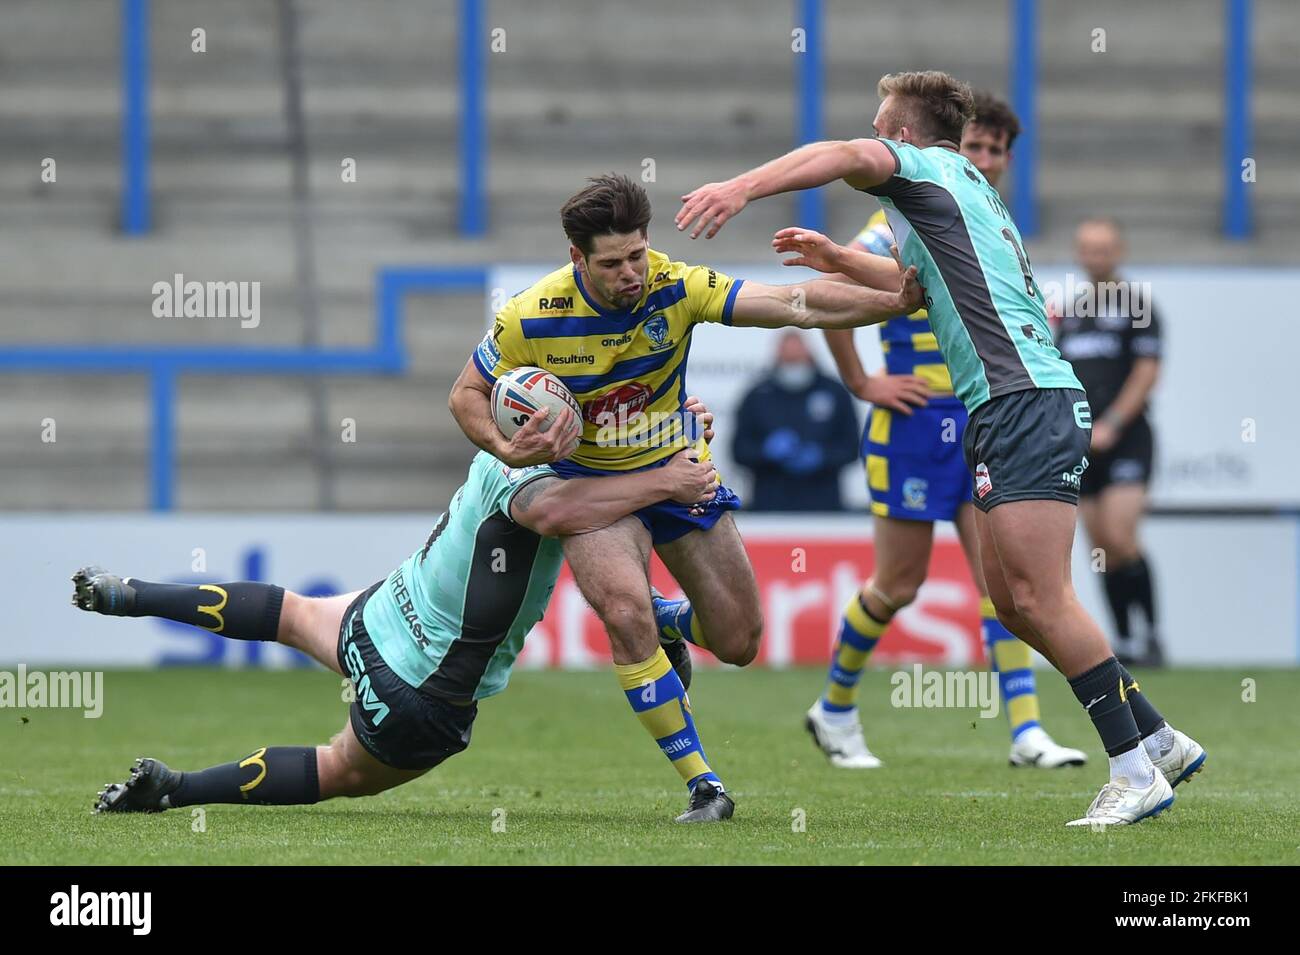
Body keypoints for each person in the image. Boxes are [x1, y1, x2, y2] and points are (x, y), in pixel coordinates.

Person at [675, 70, 1204, 826]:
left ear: (904, 133)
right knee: (1016, 603)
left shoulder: (927, 166)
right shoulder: (958, 199)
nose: (874, 133)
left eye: (882, 122)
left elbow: (839, 152)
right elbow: (908, 292)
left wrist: (738, 187)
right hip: (1008, 405)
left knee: (1041, 597)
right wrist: (838, 258)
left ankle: (1132, 769)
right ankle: (1157, 738)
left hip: (1024, 401)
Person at [448, 173, 922, 822]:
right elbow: (464, 395)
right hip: (592, 487)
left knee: (738, 640)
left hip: (677, 471)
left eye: (637, 254)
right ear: (577, 260)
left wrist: (894, 302)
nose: (630, 273)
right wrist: (507, 451)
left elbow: (795, 304)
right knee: (621, 611)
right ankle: (703, 783)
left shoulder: (676, 286)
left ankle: (670, 619)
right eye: (612, 263)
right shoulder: (532, 315)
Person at [74, 408, 729, 823]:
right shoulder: (549, 496)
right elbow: (576, 509)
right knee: (336, 768)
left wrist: (667, 429)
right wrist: (670, 474)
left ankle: (133, 592)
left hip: (381, 618)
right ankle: (176, 789)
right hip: (421, 694)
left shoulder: (496, 449)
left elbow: (589, 448)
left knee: (292, 612)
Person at [792, 92, 1086, 770]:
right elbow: (829, 288)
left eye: (994, 151)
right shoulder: (897, 219)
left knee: (1004, 582)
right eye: (973, 146)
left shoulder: (989, 220)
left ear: (1007, 161)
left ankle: (1026, 729)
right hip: (916, 421)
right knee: (899, 584)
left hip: (989, 417)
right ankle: (833, 707)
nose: (981, 158)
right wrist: (862, 382)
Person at [1057, 217, 1165, 667]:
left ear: (1117, 251)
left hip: (1127, 439)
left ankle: (1152, 633)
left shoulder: (1138, 306)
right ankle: (1124, 640)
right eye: (1088, 249)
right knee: (1099, 546)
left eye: (1103, 249)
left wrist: (1114, 423)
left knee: (1121, 537)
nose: (1095, 257)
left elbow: (1146, 371)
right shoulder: (1072, 312)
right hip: (1084, 443)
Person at [731, 330, 860, 512]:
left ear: (809, 354)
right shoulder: (757, 395)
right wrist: (765, 452)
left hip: (824, 509)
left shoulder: (835, 392)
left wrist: (822, 456)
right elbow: (739, 451)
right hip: (769, 508)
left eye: (797, 359)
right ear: (777, 356)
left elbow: (851, 448)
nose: (793, 365)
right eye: (788, 360)